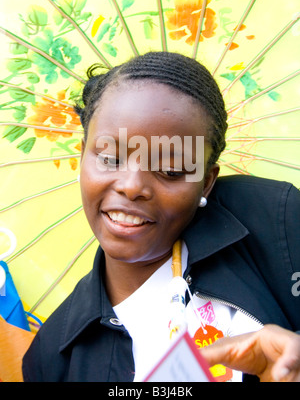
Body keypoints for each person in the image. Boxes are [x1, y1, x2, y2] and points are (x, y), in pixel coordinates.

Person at [22, 51, 300, 382]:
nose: (132, 186)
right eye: (110, 159)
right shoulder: (52, 356)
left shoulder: (275, 218)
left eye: (169, 170)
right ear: (83, 155)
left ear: (206, 182)